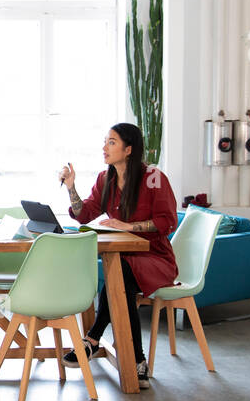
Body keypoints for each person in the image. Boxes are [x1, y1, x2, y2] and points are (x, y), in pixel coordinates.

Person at [57, 122, 178, 384]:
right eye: (105, 141)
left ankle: (92, 339)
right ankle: (137, 362)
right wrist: (71, 187)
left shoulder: (154, 177)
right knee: (119, 278)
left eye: (112, 142)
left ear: (129, 149)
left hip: (154, 258)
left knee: (118, 277)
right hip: (124, 260)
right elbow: (85, 213)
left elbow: (167, 222)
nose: (104, 147)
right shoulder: (105, 178)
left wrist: (128, 226)